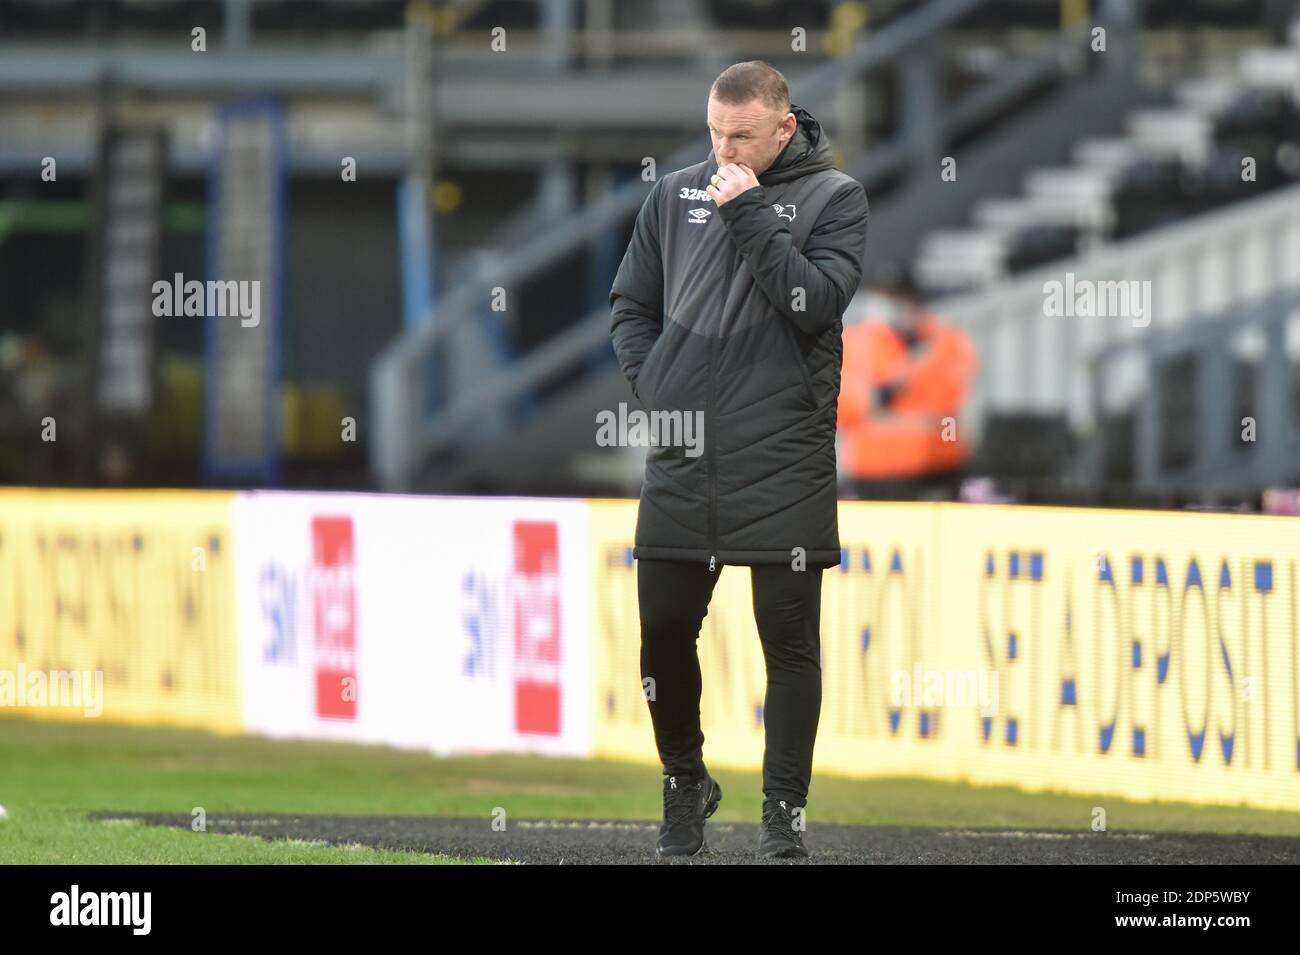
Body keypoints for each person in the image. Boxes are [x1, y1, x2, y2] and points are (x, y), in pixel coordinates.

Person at [608, 60, 869, 859]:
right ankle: (684, 779)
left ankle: (782, 813)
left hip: (782, 456)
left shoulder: (836, 199)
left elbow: (813, 303)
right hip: (685, 451)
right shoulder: (673, 193)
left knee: (787, 641)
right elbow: (630, 304)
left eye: (743, 137)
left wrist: (752, 212)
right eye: (716, 133)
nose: (725, 150)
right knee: (660, 631)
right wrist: (656, 387)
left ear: (783, 128)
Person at [837, 271, 978, 500]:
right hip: (874, 472)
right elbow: (845, 405)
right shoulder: (855, 343)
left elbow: (949, 401)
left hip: (938, 468)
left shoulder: (944, 341)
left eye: (898, 298)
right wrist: (890, 386)